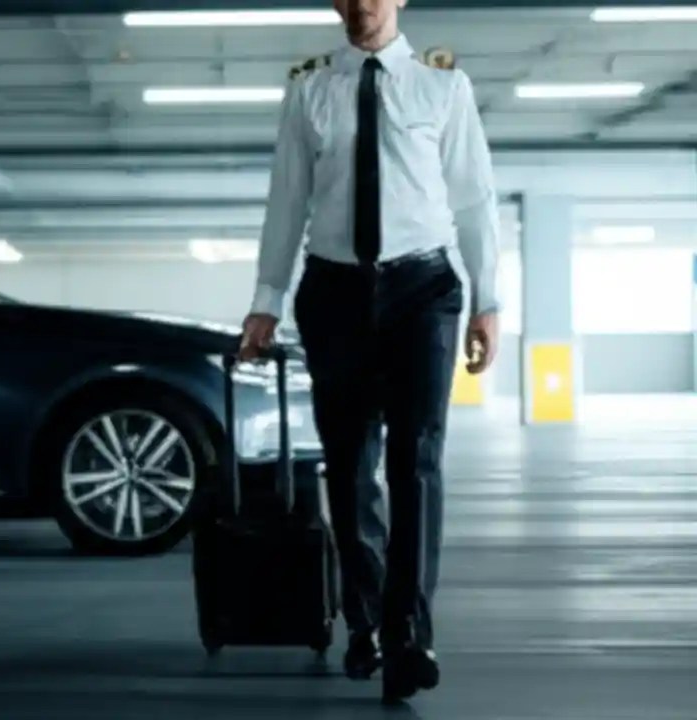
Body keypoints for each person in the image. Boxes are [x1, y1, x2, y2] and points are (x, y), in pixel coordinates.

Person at [238, 0, 501, 704]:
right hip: (333, 292)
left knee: (416, 458)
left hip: (424, 287)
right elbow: (286, 201)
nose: (362, 6)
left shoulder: (444, 87)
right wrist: (265, 301)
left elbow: (474, 199)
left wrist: (489, 301)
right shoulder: (310, 89)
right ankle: (367, 624)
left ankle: (410, 633)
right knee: (351, 464)